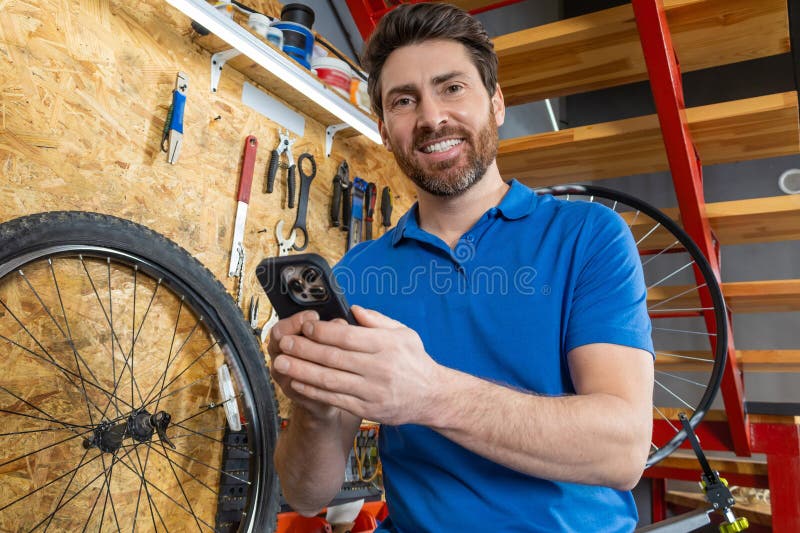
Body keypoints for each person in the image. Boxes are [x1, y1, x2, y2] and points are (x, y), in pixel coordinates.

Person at [267, 3, 655, 531]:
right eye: (404, 101)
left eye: (452, 88)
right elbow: (307, 493)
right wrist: (314, 410)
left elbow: (623, 449)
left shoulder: (588, 236)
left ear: (496, 103)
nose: (431, 118)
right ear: (384, 130)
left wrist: (427, 393)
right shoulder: (358, 273)